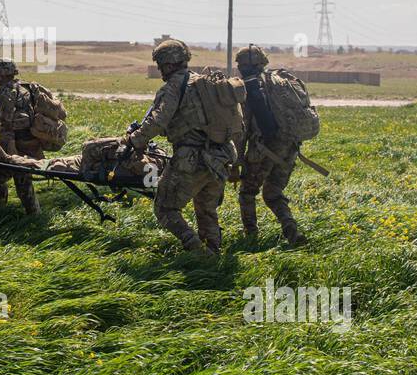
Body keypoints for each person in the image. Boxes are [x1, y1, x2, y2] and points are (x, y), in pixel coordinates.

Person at [125, 39, 239, 255]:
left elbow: (158, 120)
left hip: (193, 159)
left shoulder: (174, 87)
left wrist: (135, 140)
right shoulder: (204, 83)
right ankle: (213, 253)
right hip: (221, 157)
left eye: (160, 66)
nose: (160, 72)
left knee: (165, 208)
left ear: (168, 64)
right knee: (206, 209)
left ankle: (197, 251)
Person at [234, 44, 308, 246]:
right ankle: (292, 232)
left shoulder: (250, 87)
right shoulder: (281, 82)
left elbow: (244, 127)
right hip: (290, 148)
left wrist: (238, 159)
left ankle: (251, 237)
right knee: (273, 193)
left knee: (247, 193)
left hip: (263, 150)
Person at [0, 59, 43, 214]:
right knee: (23, 180)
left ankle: (0, 210)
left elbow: (6, 123)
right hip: (29, 142)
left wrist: (8, 154)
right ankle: (34, 213)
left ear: (4, 74)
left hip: (15, 143)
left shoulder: (6, 91)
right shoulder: (23, 88)